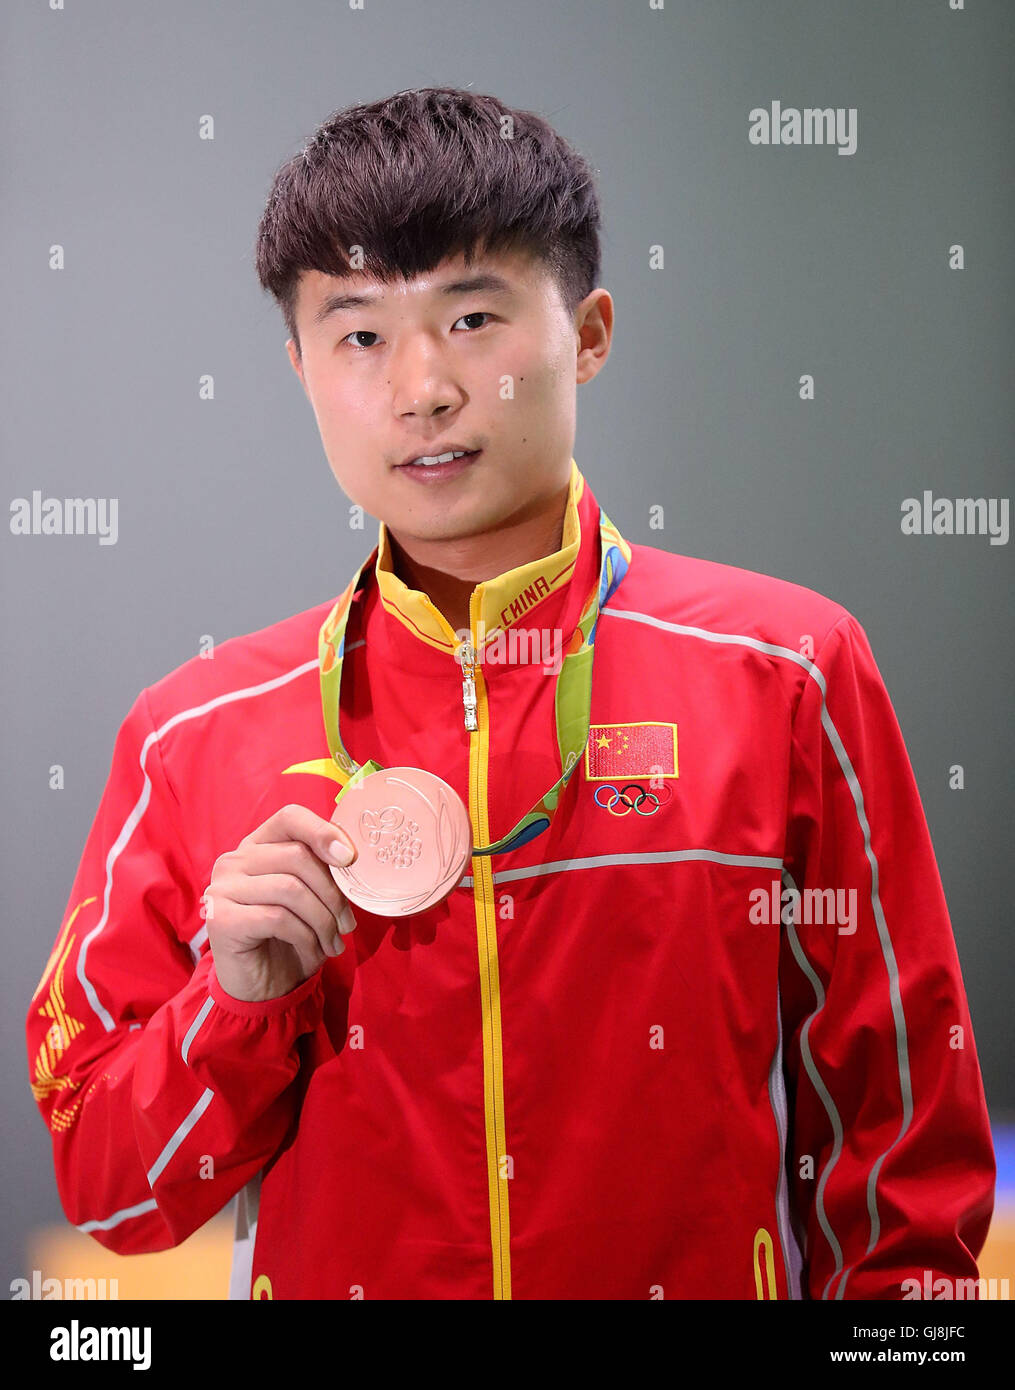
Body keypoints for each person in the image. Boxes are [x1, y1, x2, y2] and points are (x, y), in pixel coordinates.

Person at [26, 86, 994, 1301]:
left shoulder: (786, 671)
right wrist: (234, 1006)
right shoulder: (192, 734)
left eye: (473, 318)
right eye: (359, 335)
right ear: (300, 367)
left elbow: (903, 1158)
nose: (421, 388)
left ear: (588, 332)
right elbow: (111, 1197)